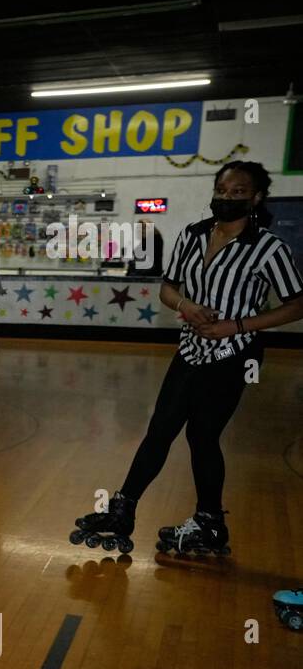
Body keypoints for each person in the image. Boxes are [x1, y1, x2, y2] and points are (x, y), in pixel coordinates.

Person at [71, 161, 303, 556]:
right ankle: (123, 509)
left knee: (202, 435)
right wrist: (185, 305)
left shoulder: (269, 249)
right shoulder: (192, 236)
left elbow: (297, 304)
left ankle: (210, 522)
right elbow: (167, 287)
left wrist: (239, 325)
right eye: (223, 190)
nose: (228, 198)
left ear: (256, 197)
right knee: (160, 430)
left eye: (239, 192)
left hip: (236, 353)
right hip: (192, 348)